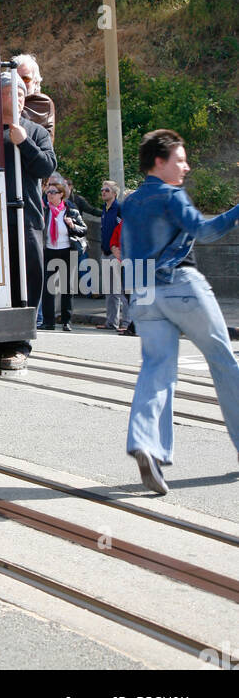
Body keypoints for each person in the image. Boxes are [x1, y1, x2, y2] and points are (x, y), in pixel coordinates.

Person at [122, 129, 239, 495]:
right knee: (223, 360)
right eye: (180, 160)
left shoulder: (130, 202)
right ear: (160, 162)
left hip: (143, 292)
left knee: (156, 369)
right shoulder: (171, 195)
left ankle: (146, 443)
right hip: (181, 286)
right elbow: (203, 231)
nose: (185, 167)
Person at [0, 73, 56, 371]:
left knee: (27, 277)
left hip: (27, 217)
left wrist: (24, 142)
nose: (18, 98)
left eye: (21, 94)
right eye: (11, 93)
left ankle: (21, 342)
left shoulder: (36, 131)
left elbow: (46, 165)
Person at [41, 175, 88, 331]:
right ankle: (48, 322)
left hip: (67, 251)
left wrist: (73, 226)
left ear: (61, 194)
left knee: (67, 288)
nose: (50, 194)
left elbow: (84, 230)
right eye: (48, 192)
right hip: (49, 251)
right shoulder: (44, 210)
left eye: (53, 192)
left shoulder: (71, 210)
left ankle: (67, 321)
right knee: (48, 289)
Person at [97, 180, 127, 330]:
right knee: (109, 290)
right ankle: (111, 322)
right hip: (105, 252)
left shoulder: (120, 208)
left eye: (107, 190)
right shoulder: (105, 209)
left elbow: (125, 230)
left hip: (117, 254)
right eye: (102, 190)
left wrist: (119, 250)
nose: (103, 192)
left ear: (114, 193)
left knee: (121, 290)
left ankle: (127, 323)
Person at [11, 53, 56, 141]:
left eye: (26, 79)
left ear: (35, 81)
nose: (20, 83)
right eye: (15, 78)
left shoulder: (42, 102)